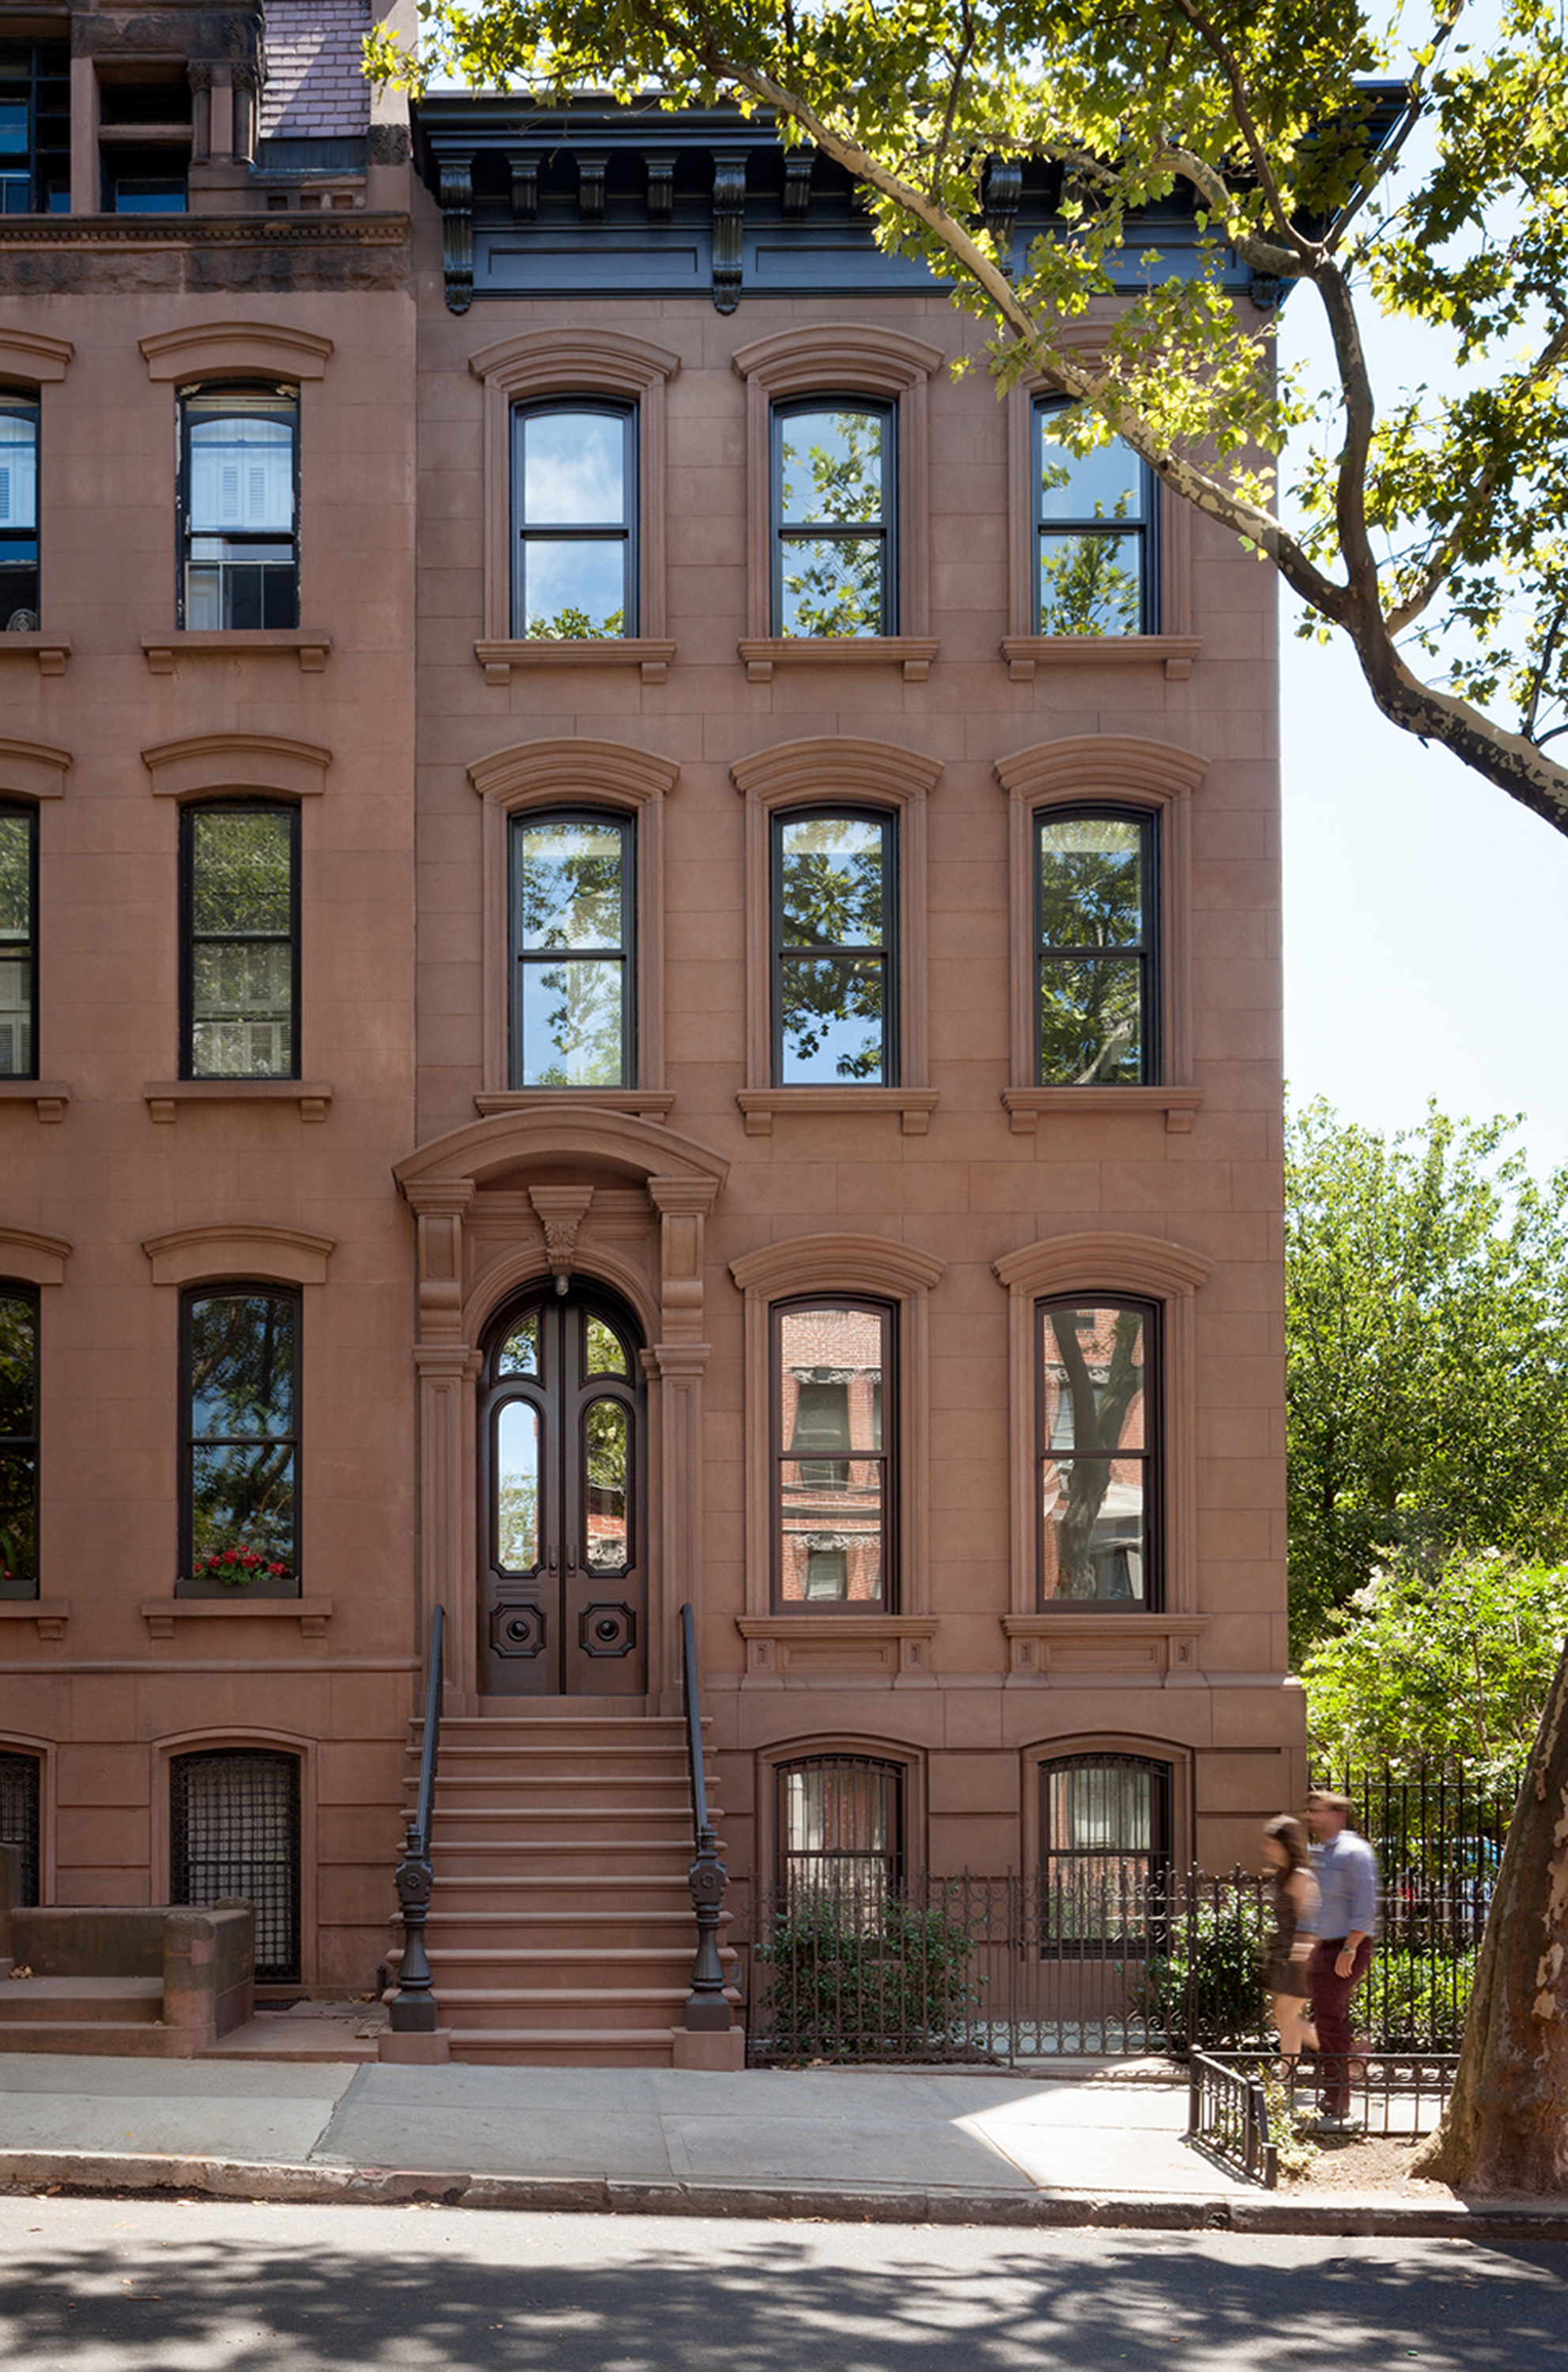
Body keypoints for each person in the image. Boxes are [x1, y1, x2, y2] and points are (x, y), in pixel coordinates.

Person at [1304, 1788, 1380, 2135]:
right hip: (1325, 1946)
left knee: (1329, 2019)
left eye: (1317, 1811)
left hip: (1348, 1947)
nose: (1311, 1817)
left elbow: (1365, 1908)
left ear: (1336, 1815)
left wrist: (1350, 1948)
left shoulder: (1354, 1853)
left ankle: (1337, 2096)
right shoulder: (1323, 1854)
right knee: (1324, 2019)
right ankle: (1356, 2054)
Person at [1260, 1814, 1320, 2083]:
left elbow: (1311, 1919)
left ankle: (1344, 2053)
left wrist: (1302, 1955)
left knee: (1284, 2015)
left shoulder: (1300, 1877)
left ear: (1285, 1845)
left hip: (1301, 1958)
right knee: (1286, 2018)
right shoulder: (1283, 1876)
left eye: (1271, 1843)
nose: (1266, 1849)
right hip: (1286, 1957)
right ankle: (1287, 2078)